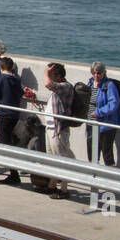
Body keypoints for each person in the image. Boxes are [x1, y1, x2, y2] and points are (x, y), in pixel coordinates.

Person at [0, 55, 25, 185]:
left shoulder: (0, 79)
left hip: (4, 115)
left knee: (5, 144)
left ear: (0, 67)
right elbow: (18, 95)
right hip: (14, 115)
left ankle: (14, 175)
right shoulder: (16, 79)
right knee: (5, 140)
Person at [43, 62, 75, 199]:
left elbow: (48, 84)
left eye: (52, 75)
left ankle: (64, 189)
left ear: (59, 76)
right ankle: (52, 185)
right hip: (50, 127)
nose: (49, 77)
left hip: (59, 129)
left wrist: (46, 73)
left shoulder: (65, 87)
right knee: (52, 159)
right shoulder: (58, 88)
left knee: (62, 159)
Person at [85, 61, 120, 167]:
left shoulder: (109, 85)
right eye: (93, 73)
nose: (96, 75)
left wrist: (98, 112)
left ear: (104, 73)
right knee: (92, 153)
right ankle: (93, 176)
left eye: (99, 73)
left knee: (107, 154)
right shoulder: (90, 83)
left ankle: (110, 179)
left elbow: (114, 104)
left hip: (106, 125)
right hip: (91, 123)